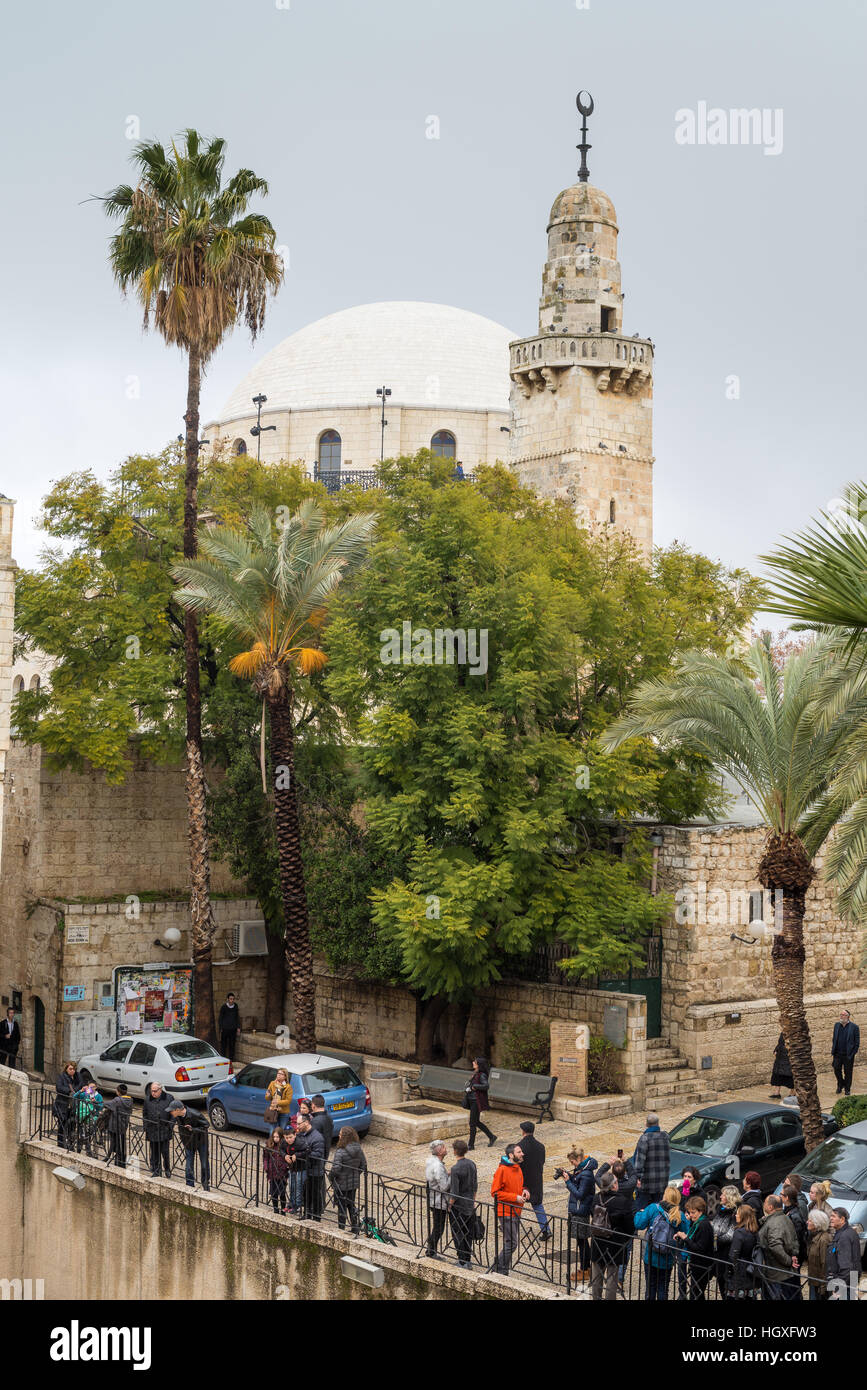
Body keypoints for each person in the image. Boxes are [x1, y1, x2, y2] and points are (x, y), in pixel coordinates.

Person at [588, 1171, 634, 1300]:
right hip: (615, 1243)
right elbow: (630, 1226)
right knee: (612, 1279)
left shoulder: (597, 1198)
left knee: (597, 1276)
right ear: (613, 1185)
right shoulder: (622, 1202)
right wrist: (625, 1238)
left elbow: (593, 1215)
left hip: (598, 1241)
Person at [634, 1184, 682, 1301]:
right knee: (663, 1289)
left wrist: (639, 1213)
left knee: (650, 1288)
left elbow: (638, 1224)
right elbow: (685, 1235)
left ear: (664, 1196)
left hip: (650, 1255)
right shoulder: (679, 1215)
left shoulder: (653, 1208)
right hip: (668, 1258)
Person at [560, 1147, 598, 1281]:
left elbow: (579, 1194)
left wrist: (567, 1182)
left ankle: (585, 1269)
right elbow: (578, 1181)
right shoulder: (582, 1169)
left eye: (572, 1162)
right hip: (578, 1209)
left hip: (581, 1211)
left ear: (579, 1159)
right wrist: (569, 1175)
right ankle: (585, 1268)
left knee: (582, 1242)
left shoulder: (586, 1173)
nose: (572, 1165)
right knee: (581, 1241)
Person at [490, 1142, 527, 1274]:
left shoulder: (518, 1167)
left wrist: (524, 1191)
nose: (522, 1154)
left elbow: (519, 1186)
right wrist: (515, 1198)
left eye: (521, 1151)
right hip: (506, 1211)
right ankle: (500, 1268)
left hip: (516, 1211)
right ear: (511, 1155)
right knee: (511, 1243)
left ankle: (500, 1267)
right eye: (519, 1152)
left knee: (509, 1243)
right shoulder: (502, 1170)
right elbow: (495, 1192)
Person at [756, 1194, 799, 1300]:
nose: (763, 1205)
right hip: (782, 1273)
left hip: (776, 1274)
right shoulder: (785, 1218)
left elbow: (775, 1246)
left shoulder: (775, 1223)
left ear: (770, 1207)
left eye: (765, 1202)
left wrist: (789, 1261)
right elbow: (794, 1241)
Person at [673, 1195, 715, 1300]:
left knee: (696, 1294)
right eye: (689, 1212)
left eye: (693, 1212)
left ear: (700, 1211)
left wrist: (685, 1238)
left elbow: (699, 1248)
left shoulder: (703, 1225)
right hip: (696, 1265)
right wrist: (682, 1236)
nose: (690, 1215)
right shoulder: (697, 1223)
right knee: (697, 1294)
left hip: (702, 1266)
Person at [330, 1125, 367, 1235]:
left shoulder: (341, 1151)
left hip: (341, 1183)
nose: (339, 1135)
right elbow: (363, 1166)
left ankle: (341, 1228)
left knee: (341, 1206)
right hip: (353, 1183)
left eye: (340, 1134)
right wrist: (355, 1174)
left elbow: (336, 1169)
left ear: (344, 1136)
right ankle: (355, 1227)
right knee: (351, 1204)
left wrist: (331, 1177)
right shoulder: (358, 1149)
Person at [516, 1120, 550, 1238]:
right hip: (536, 1179)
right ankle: (546, 1230)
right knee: (537, 1204)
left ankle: (510, 1225)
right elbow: (542, 1161)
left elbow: (516, 1164)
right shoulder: (541, 1146)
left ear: (523, 1131)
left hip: (523, 1180)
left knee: (517, 1203)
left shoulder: (519, 1147)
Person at [448, 1138, 478, 1269]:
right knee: (468, 1233)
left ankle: (461, 1260)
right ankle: (468, 1259)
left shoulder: (455, 1169)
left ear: (455, 1151)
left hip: (459, 1206)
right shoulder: (472, 1164)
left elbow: (454, 1192)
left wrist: (449, 1205)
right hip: (469, 1203)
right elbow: (475, 1185)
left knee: (458, 1233)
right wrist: (473, 1200)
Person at [168, 1101, 211, 1191]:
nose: (170, 1112)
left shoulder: (195, 1114)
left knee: (204, 1164)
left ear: (177, 1110)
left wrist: (193, 1129)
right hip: (188, 1142)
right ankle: (189, 1185)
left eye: (172, 1111)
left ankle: (205, 1184)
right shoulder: (177, 1116)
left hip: (201, 1142)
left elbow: (206, 1125)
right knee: (188, 1166)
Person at [633, 1112, 670, 1210]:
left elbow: (639, 1161)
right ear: (658, 1124)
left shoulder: (645, 1138)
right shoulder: (666, 1137)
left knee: (642, 1210)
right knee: (658, 1210)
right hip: (662, 1181)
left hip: (647, 1183)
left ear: (646, 1124)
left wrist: (637, 1178)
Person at [709, 1185, 741, 1296]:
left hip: (726, 1254)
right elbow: (714, 1225)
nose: (720, 1196)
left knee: (726, 1284)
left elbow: (730, 1235)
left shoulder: (734, 1213)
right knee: (720, 1281)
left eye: (723, 1194)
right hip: (717, 1253)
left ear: (729, 1197)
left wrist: (715, 1238)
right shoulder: (720, 1209)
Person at [294, 1113, 325, 1220]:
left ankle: (316, 1217)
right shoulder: (302, 1134)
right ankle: (307, 1214)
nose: (297, 1126)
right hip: (305, 1170)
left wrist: (304, 1154)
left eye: (299, 1124)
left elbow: (319, 1154)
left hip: (315, 1171)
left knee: (315, 1195)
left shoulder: (317, 1137)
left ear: (306, 1123)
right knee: (306, 1194)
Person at [727, 1203, 759, 1300]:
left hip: (740, 1272)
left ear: (743, 1216)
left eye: (737, 1214)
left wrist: (729, 1269)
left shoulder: (739, 1232)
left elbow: (733, 1255)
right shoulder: (755, 1231)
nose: (736, 1215)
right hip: (752, 1269)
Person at [827, 1207, 861, 1300]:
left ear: (842, 1219)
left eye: (833, 1216)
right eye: (831, 1216)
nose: (831, 1218)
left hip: (846, 1282)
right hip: (849, 1279)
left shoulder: (845, 1237)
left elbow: (846, 1266)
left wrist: (838, 1287)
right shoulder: (845, 1232)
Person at [143, 1081, 175, 1177]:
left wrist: (170, 1126)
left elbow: (174, 1114)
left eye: (155, 1091)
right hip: (152, 1130)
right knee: (154, 1151)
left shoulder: (169, 1098)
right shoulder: (148, 1099)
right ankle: (157, 1170)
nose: (153, 1093)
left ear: (160, 1090)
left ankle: (167, 1169)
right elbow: (145, 1113)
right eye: (152, 1091)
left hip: (164, 1129)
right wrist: (146, 1126)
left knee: (165, 1151)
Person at [464, 1058, 497, 1151]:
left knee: (472, 1123)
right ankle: (492, 1137)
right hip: (472, 1099)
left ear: (479, 1064)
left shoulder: (482, 1075)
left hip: (476, 1101)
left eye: (475, 1062)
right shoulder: (476, 1073)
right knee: (476, 1122)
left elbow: (486, 1086)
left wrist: (474, 1086)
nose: (473, 1062)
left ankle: (471, 1145)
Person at [424, 1140, 450, 1257]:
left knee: (437, 1226)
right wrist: (453, 1176)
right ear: (439, 1151)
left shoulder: (431, 1162)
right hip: (439, 1201)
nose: (446, 1148)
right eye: (444, 1147)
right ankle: (431, 1250)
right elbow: (444, 1186)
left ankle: (431, 1249)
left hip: (433, 1199)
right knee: (439, 1228)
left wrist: (447, 1174)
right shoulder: (438, 1166)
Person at [103, 1083, 133, 1168]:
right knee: (121, 1143)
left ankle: (114, 1159)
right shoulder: (130, 1100)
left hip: (115, 1125)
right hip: (124, 1125)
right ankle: (120, 1161)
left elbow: (106, 1104)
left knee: (115, 1142)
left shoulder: (117, 1100)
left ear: (118, 1092)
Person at [831, 1008, 860, 1096]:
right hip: (837, 1054)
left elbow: (857, 1042)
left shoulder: (854, 1027)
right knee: (836, 1070)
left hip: (848, 1055)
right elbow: (834, 1038)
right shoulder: (836, 1025)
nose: (842, 1016)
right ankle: (841, 1084)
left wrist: (852, 1054)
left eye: (843, 1015)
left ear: (848, 1017)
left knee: (848, 1072)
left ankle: (847, 1089)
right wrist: (833, 1050)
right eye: (841, 1015)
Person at [805, 1208, 832, 1301]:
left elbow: (825, 1264)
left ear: (817, 1223)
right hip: (814, 1281)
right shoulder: (813, 1236)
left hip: (820, 1284)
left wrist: (823, 1286)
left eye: (810, 1220)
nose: (807, 1222)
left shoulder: (824, 1239)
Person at [53, 1061, 80, 1150]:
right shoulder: (62, 1077)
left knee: (72, 1125)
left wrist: (75, 1091)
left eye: (74, 1069)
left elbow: (81, 1086)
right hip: (62, 1105)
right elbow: (59, 1088)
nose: (72, 1071)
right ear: (66, 1069)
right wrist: (69, 1091)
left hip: (73, 1105)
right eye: (70, 1069)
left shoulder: (77, 1077)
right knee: (62, 1125)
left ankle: (70, 1144)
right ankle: (60, 1144)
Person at [781, 1182, 807, 1272]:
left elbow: (797, 1237)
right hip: (790, 1252)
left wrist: (793, 1254)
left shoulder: (794, 1215)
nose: (780, 1196)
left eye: (781, 1194)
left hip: (795, 1254)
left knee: (793, 1277)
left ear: (787, 1197)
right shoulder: (787, 1210)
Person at [263, 1128, 290, 1215]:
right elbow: (265, 1158)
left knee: (282, 1193)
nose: (275, 1138)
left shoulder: (284, 1146)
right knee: (273, 1192)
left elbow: (286, 1158)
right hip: (272, 1172)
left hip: (282, 1173)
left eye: (277, 1137)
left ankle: (283, 1210)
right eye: (274, 1137)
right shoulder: (269, 1145)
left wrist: (285, 1167)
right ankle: (275, 1209)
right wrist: (267, 1167)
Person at [72, 1081, 103, 1156]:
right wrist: (81, 1091)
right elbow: (74, 1097)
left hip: (94, 1117)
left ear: (96, 1087)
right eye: (90, 1087)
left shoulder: (98, 1096)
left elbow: (101, 1107)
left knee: (94, 1135)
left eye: (93, 1087)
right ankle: (81, 1150)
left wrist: (95, 1102)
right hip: (84, 1116)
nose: (91, 1089)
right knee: (83, 1134)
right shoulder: (86, 1094)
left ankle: (95, 1153)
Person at [769, 1031, 795, 1100]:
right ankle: (776, 1093)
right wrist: (776, 1050)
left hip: (789, 1057)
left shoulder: (796, 1030)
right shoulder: (784, 1031)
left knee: (790, 1075)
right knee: (777, 1075)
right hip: (780, 1057)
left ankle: (792, 1093)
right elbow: (780, 1043)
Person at [217, 992, 241, 1061]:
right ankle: (223, 1059)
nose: (232, 1000)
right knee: (224, 1045)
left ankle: (231, 1059)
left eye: (233, 999)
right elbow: (220, 1018)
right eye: (230, 999)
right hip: (225, 1029)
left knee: (232, 1045)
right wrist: (221, 1028)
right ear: (227, 999)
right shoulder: (224, 1007)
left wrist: (238, 1027)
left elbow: (237, 1017)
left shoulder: (235, 1006)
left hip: (233, 1029)